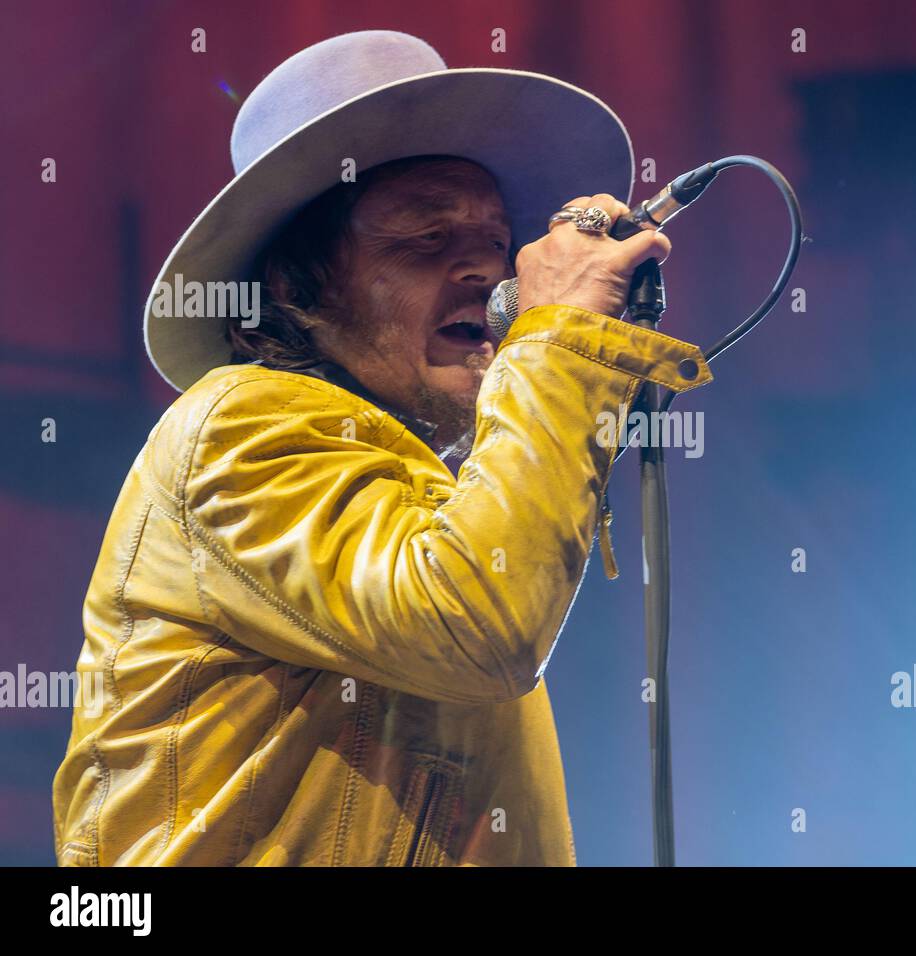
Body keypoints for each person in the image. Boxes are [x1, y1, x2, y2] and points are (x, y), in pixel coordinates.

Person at [52, 30, 711, 866]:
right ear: (298, 287)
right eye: (425, 239)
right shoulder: (241, 422)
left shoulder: (424, 485)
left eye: (495, 239)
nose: (486, 267)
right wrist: (560, 345)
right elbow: (477, 620)